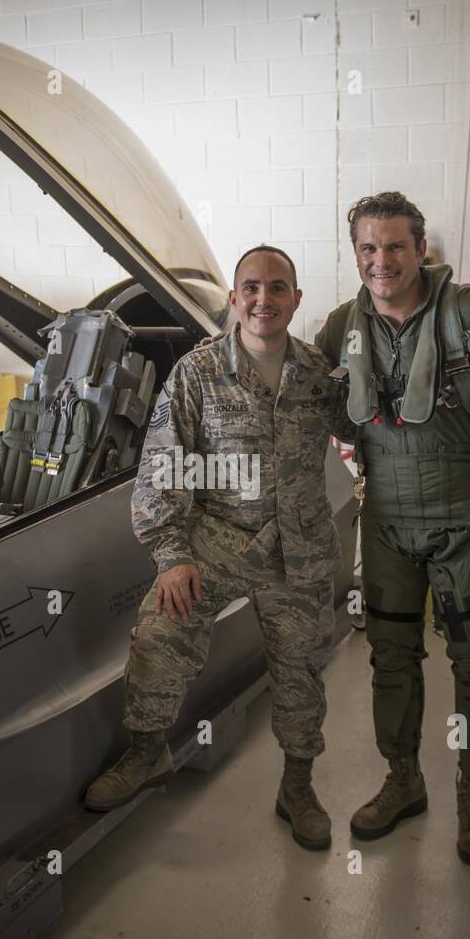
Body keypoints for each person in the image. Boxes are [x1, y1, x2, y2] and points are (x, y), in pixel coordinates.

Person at [84, 245, 354, 851]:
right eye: (252, 289)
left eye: (278, 288)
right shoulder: (198, 373)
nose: (265, 300)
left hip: (299, 547)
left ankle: (298, 787)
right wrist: (172, 555)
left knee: (302, 671)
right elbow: (161, 467)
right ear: (235, 300)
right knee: (162, 626)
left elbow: (363, 428)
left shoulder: (318, 375)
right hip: (220, 537)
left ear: (295, 299)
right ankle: (148, 751)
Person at [314, 192, 470, 864]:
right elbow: (333, 414)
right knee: (391, 659)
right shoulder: (340, 326)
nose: (381, 261)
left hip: (466, 515)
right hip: (388, 519)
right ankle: (403, 780)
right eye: (368, 248)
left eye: (395, 246)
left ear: (420, 248)